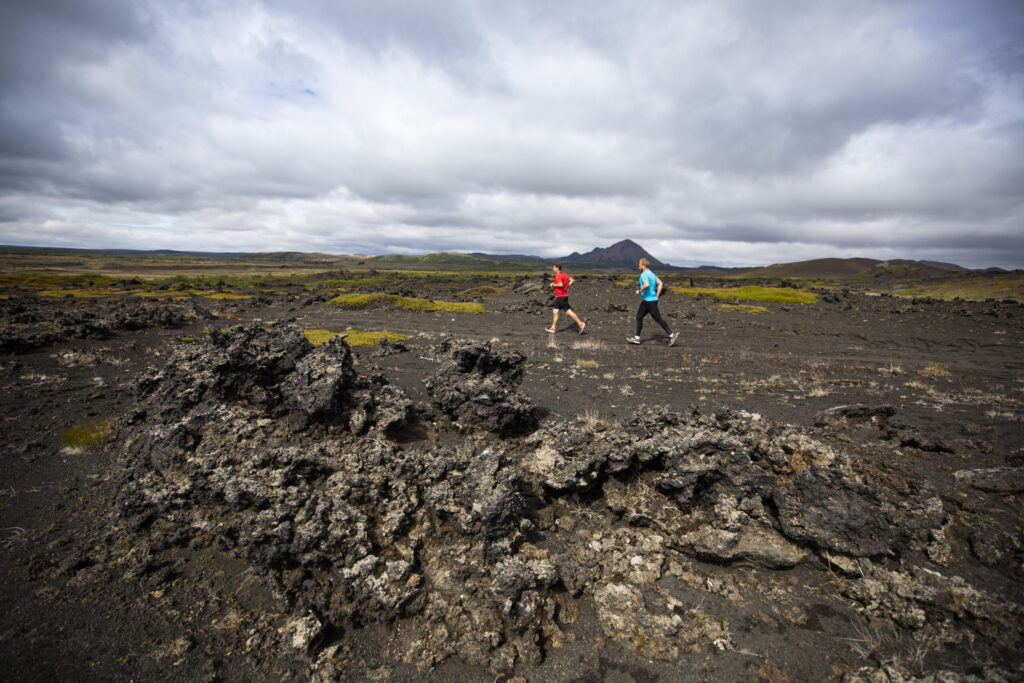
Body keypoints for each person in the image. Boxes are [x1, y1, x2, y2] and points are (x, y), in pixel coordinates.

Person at [628, 258, 678, 346]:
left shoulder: (644, 274)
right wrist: (657, 295)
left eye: (639, 264)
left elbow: (646, 285)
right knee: (639, 317)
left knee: (658, 319)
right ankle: (637, 338)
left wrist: (639, 291)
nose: (638, 265)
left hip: (649, 302)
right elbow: (660, 283)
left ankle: (672, 335)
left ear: (643, 265)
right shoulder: (651, 274)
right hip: (648, 301)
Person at [546, 263, 586, 334]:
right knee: (557, 311)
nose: (553, 269)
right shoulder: (564, 275)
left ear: (557, 268)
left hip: (560, 297)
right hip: (563, 296)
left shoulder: (558, 275)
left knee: (563, 311)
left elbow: (560, 284)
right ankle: (553, 328)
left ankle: (580, 323)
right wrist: (567, 286)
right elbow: (572, 280)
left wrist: (553, 285)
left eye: (554, 267)